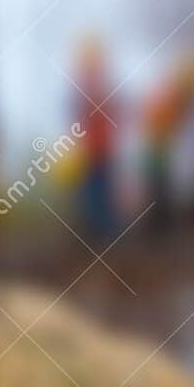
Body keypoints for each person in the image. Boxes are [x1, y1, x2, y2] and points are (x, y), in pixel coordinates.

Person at [141, 52, 194, 232]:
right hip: (158, 150)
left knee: (166, 188)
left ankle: (165, 225)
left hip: (164, 150)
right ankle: (159, 227)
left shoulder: (181, 99)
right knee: (160, 188)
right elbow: (158, 123)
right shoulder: (170, 97)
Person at [72, 36, 118, 239]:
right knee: (93, 190)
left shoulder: (101, 89)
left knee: (102, 189)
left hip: (103, 149)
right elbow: (82, 121)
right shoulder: (86, 90)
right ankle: (95, 229)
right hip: (91, 151)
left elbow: (110, 118)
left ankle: (103, 229)